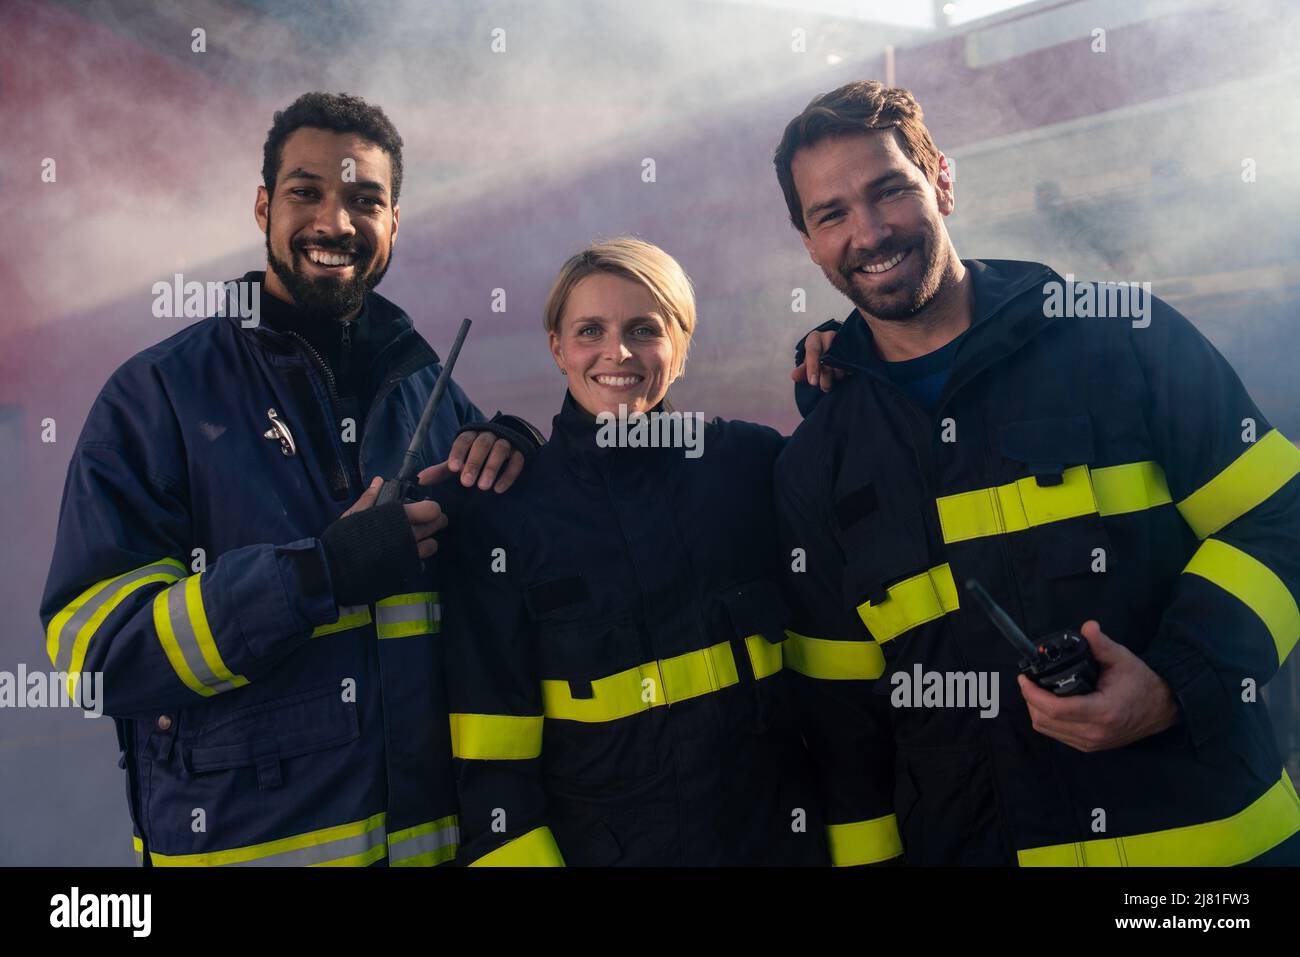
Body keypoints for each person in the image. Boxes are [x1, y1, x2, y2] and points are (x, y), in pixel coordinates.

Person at [772, 80, 1300, 866]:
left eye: (891, 190)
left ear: (942, 181)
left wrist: (1175, 681)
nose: (871, 230)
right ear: (810, 243)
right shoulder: (818, 459)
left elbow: (1277, 518)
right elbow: (846, 723)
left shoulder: (1121, 336)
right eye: (833, 213)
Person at [40, 92, 541, 867]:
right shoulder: (159, 398)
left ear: (394, 224)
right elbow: (102, 656)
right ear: (264, 206)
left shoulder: (427, 388)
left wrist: (517, 446)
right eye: (307, 192)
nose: (335, 224)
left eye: (364, 200)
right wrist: (319, 574)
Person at [442, 237, 826, 865]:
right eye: (589, 330)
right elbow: (493, 777)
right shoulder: (503, 518)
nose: (615, 352)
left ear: (680, 348)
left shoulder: (750, 467)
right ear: (558, 348)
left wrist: (850, 351)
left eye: (644, 329)